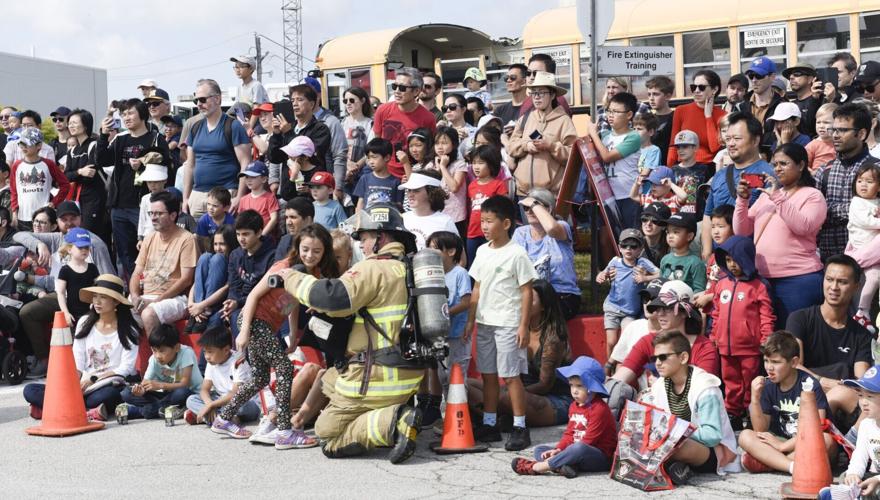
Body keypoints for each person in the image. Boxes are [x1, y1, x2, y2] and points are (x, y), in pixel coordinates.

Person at [279, 203, 426, 463]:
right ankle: (384, 413)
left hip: (377, 376)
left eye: (366, 238)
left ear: (381, 237)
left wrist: (291, 278)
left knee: (327, 435)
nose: (362, 245)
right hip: (407, 374)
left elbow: (333, 297)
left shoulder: (373, 268)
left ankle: (392, 420)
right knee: (329, 379)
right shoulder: (411, 268)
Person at [467, 195, 537, 451]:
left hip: (508, 323)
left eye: (489, 221)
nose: (484, 226)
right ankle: (489, 423)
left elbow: (527, 291)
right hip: (484, 324)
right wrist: (470, 321)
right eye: (482, 221)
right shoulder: (482, 251)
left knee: (510, 376)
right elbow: (477, 287)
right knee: (488, 376)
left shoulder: (517, 254)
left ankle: (520, 426)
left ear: (506, 223)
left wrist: (523, 325)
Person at [16, 202, 115, 378]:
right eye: (64, 219)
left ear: (81, 219)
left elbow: (108, 277)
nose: (69, 223)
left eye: (73, 218)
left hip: (88, 298)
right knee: (27, 312)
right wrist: (39, 245)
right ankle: (44, 360)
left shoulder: (95, 243)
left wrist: (100, 301)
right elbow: (19, 235)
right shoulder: (56, 239)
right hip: (60, 295)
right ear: (57, 222)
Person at [733, 142, 826, 328]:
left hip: (799, 279)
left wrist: (777, 196)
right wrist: (742, 200)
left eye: (784, 164)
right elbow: (741, 231)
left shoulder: (813, 195)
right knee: (768, 337)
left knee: (795, 336)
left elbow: (804, 227)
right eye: (775, 165)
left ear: (800, 165)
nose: (778, 169)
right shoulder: (766, 195)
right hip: (763, 278)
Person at [22, 274, 139, 420]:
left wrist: (94, 379)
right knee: (30, 390)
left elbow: (125, 368)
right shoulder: (85, 322)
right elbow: (78, 361)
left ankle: (56, 409)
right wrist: (72, 384)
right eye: (95, 296)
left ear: (116, 301)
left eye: (103, 297)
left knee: (106, 396)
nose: (97, 301)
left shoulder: (129, 330)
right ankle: (86, 411)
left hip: (108, 384)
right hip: (82, 384)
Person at [787, 255, 873, 424]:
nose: (834, 287)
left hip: (841, 405)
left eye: (842, 282)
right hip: (802, 397)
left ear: (856, 287)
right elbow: (793, 365)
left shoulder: (862, 335)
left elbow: (861, 382)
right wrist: (823, 382)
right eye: (829, 279)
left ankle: (852, 442)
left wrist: (837, 388)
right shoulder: (800, 319)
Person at [645, 331, 739, 484]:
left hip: (712, 451)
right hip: (674, 444)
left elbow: (712, 436)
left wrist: (675, 432)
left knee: (675, 446)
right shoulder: (659, 386)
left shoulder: (705, 387)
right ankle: (677, 468)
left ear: (683, 358)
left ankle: (670, 466)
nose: (657, 363)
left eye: (663, 357)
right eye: (654, 358)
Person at [738, 330, 835, 474]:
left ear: (794, 362)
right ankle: (792, 466)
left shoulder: (809, 385)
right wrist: (755, 400)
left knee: (827, 441)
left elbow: (816, 428)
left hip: (806, 442)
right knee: (745, 435)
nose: (769, 367)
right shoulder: (767, 385)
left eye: (776, 362)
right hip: (780, 441)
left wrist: (782, 447)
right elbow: (760, 430)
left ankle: (771, 462)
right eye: (766, 360)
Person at [98, 98, 170, 277]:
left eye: (130, 113)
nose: (126, 117)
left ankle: (150, 286)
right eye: (123, 114)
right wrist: (103, 135)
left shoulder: (156, 138)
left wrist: (144, 166)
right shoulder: (121, 138)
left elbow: (167, 167)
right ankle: (132, 289)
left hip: (144, 204)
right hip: (119, 205)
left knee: (149, 249)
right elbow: (102, 160)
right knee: (124, 254)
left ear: (142, 114)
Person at [511, 356, 616, 477]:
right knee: (540, 450)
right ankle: (564, 466)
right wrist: (559, 450)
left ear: (592, 388)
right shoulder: (573, 406)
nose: (574, 391)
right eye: (572, 385)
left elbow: (589, 441)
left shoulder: (599, 409)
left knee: (579, 448)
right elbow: (569, 434)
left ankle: (539, 467)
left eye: (579, 386)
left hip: (598, 457)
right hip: (574, 453)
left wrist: (563, 453)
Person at [710, 235, 774, 427]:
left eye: (736, 259)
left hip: (750, 347)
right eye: (728, 260)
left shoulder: (759, 286)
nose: (731, 264)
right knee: (730, 381)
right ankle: (733, 412)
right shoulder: (721, 284)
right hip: (725, 347)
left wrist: (766, 338)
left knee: (750, 381)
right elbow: (716, 312)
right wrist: (714, 335)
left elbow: (767, 315)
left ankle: (750, 411)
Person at [613, 280, 720, 385]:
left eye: (667, 308)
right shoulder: (647, 341)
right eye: (658, 308)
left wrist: (661, 387)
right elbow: (621, 376)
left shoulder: (704, 348)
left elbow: (704, 389)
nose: (660, 314)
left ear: (684, 313)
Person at [701, 113, 775, 260]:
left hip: (752, 257)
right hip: (721, 257)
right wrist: (707, 252)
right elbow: (708, 215)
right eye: (728, 139)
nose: (731, 144)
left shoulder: (769, 174)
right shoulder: (720, 175)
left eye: (737, 139)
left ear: (755, 140)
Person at [129, 191, 198, 336]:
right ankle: (130, 359)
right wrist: (135, 296)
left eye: (159, 213)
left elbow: (186, 280)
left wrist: (156, 301)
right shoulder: (149, 238)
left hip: (175, 298)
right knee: (117, 310)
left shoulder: (187, 239)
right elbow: (137, 273)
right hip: (146, 295)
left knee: (148, 314)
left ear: (173, 215)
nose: (153, 218)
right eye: (151, 213)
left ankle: (157, 358)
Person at [182, 79, 251, 218]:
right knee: (198, 239)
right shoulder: (195, 128)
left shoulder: (233, 126)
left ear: (217, 99)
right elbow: (190, 165)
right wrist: (185, 198)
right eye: (196, 101)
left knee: (223, 239)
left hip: (224, 196)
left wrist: (239, 197)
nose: (199, 104)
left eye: (202, 99)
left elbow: (246, 163)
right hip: (197, 196)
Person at [816, 102, 876, 260]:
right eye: (834, 129)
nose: (835, 135)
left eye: (842, 130)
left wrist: (830, 211)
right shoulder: (824, 170)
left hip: (867, 259)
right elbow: (814, 213)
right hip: (828, 259)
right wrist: (857, 210)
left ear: (861, 134)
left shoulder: (876, 169)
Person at [513, 188, 581, 320]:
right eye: (526, 208)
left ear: (548, 210)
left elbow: (551, 228)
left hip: (562, 294)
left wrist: (533, 204)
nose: (529, 211)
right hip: (531, 295)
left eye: (534, 207)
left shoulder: (561, 226)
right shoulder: (520, 233)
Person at [508, 71, 577, 200]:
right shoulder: (525, 118)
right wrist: (526, 145)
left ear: (552, 95)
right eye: (534, 93)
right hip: (523, 192)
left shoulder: (564, 120)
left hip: (551, 194)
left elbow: (573, 156)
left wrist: (551, 146)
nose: (536, 97)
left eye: (541, 92)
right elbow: (511, 146)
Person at [596, 228, 658, 357]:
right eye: (625, 245)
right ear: (619, 247)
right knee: (611, 341)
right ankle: (609, 368)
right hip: (612, 307)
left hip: (630, 311)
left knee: (625, 340)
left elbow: (660, 273)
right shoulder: (615, 261)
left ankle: (623, 366)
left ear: (640, 249)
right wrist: (601, 276)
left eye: (633, 246)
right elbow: (603, 273)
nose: (628, 249)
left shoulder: (642, 263)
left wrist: (645, 278)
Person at [120, 323, 202, 420]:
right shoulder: (153, 359)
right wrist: (141, 390)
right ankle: (167, 408)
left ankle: (140, 411)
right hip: (166, 395)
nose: (158, 355)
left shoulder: (186, 353)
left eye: (162, 351)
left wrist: (160, 385)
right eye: (154, 350)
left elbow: (185, 384)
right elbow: (145, 383)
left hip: (189, 392)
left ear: (176, 348)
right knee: (126, 393)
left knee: (181, 394)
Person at [820, 368, 880, 499]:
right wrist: (854, 474)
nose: (863, 402)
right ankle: (850, 494)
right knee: (846, 477)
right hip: (873, 476)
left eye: (870, 396)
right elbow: (860, 455)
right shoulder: (866, 425)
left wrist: (878, 480)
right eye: (860, 395)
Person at [584, 91, 641, 228]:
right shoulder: (604, 135)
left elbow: (607, 157)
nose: (611, 115)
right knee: (607, 236)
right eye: (609, 111)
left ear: (629, 115)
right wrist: (592, 133)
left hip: (628, 195)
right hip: (608, 195)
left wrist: (594, 134)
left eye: (616, 112)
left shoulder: (633, 137)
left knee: (629, 234)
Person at [185, 325, 260, 425]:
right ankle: (224, 419)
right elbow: (204, 389)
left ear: (225, 350)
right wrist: (209, 404)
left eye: (210, 352)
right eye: (204, 352)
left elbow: (235, 394)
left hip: (244, 402)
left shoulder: (238, 362)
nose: (206, 356)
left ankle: (208, 417)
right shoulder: (212, 362)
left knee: (240, 406)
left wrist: (212, 405)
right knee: (191, 400)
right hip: (220, 401)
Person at [373, 67, 438, 180]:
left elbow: (429, 151)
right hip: (385, 174)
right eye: (395, 86)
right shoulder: (382, 110)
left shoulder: (428, 118)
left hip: (413, 175)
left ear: (416, 91)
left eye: (402, 88)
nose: (397, 91)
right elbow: (377, 144)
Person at [222, 210, 276, 335]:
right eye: (238, 234)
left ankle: (241, 354)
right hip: (239, 302)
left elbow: (266, 293)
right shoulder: (235, 254)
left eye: (246, 234)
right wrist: (230, 302)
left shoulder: (272, 257)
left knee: (237, 317)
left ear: (259, 232)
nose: (241, 239)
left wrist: (238, 303)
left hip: (261, 305)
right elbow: (234, 285)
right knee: (215, 320)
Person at [9, 128, 70, 230]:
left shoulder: (48, 164)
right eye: (21, 144)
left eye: (27, 144)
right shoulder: (16, 165)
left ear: (39, 146)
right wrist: (14, 213)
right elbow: (14, 191)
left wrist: (54, 203)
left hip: (43, 219)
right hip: (23, 218)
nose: (23, 147)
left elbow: (65, 185)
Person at [64, 109, 108, 242]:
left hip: (94, 198)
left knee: (92, 236)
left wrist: (77, 174)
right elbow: (66, 176)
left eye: (75, 123)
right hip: (77, 199)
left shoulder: (93, 145)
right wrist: (79, 172)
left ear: (86, 125)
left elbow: (90, 173)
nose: (71, 126)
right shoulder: (72, 150)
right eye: (70, 123)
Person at [667, 70, 726, 166]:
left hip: (708, 167)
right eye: (694, 87)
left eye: (701, 87)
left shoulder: (722, 115)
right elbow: (673, 145)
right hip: (683, 166)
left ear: (714, 89)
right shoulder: (681, 110)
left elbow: (714, 148)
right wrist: (669, 169)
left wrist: (708, 117)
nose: (696, 91)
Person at [187, 224, 236, 333]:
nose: (218, 248)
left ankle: (205, 313)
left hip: (219, 303)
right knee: (205, 257)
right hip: (201, 304)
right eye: (215, 244)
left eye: (222, 244)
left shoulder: (233, 259)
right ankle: (201, 315)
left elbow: (226, 288)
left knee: (217, 258)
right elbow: (196, 283)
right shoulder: (210, 257)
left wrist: (202, 306)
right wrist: (192, 306)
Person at [849, 162, 880, 330]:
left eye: (869, 181)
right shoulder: (857, 202)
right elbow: (865, 221)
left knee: (875, 278)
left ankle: (863, 311)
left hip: (874, 252)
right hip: (862, 249)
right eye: (860, 181)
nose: (863, 185)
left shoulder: (877, 202)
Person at [466, 145, 508, 265]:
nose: (476, 167)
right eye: (474, 163)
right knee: (473, 266)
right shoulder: (472, 185)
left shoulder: (498, 185)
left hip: (491, 233)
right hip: (472, 232)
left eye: (481, 163)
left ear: (491, 164)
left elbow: (503, 208)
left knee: (491, 264)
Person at [398, 170, 457, 250]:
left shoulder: (445, 221)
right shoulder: (401, 218)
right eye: (409, 190)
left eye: (416, 190)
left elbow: (460, 259)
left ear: (431, 192)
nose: (410, 194)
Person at [735, 56, 784, 149]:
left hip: (772, 157)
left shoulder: (782, 106)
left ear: (772, 77)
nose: (754, 80)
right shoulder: (740, 106)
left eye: (759, 76)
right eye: (751, 76)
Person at [55, 227, 99, 329]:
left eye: (87, 247)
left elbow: (98, 288)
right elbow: (60, 293)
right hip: (73, 315)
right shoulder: (65, 270)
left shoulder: (92, 268)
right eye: (80, 247)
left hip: (91, 313)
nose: (84, 250)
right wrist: (65, 313)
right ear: (69, 249)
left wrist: (95, 302)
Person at [427, 126, 468, 234]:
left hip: (456, 217)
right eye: (437, 143)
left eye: (444, 143)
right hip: (436, 214)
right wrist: (437, 169)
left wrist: (443, 167)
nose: (440, 147)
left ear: (454, 144)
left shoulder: (459, 164)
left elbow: (454, 187)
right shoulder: (430, 165)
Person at [660, 213, 706, 293]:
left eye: (675, 232)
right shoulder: (665, 259)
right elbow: (660, 284)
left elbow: (699, 290)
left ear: (689, 236)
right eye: (668, 232)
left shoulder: (696, 263)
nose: (670, 236)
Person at [669, 130, 712, 215]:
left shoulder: (704, 169)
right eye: (678, 147)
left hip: (698, 218)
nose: (680, 150)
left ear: (695, 148)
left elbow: (708, 194)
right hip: (678, 216)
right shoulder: (673, 170)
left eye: (684, 146)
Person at [341, 86, 374, 195]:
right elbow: (337, 148)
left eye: (352, 100)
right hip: (342, 171)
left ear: (363, 101)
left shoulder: (370, 124)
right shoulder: (341, 123)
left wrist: (356, 166)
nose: (348, 104)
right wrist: (347, 165)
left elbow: (371, 150)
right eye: (345, 101)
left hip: (363, 172)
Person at [354, 138, 402, 212]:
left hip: (389, 222)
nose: (371, 161)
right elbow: (361, 203)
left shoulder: (396, 182)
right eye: (369, 158)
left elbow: (399, 206)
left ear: (387, 157)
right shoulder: (365, 179)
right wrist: (359, 221)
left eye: (374, 157)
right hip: (368, 222)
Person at [238, 160, 279, 237]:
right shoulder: (243, 200)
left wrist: (261, 235)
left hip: (265, 240)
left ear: (264, 179)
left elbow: (274, 219)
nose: (248, 180)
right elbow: (240, 221)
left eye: (253, 177)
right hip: (247, 239)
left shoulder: (270, 197)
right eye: (246, 177)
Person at [135, 153, 170, 243]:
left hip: (165, 236)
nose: (152, 185)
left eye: (156, 182)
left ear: (164, 180)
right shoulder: (145, 199)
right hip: (148, 236)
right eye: (149, 182)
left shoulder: (170, 197)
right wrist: (140, 238)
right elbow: (142, 219)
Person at [783, 62, 822, 138]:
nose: (791, 77)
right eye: (789, 76)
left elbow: (811, 127)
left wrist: (814, 99)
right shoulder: (791, 105)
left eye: (797, 74)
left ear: (810, 79)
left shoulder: (820, 100)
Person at [645, 76, 675, 163]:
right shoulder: (647, 119)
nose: (651, 98)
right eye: (649, 94)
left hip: (670, 164)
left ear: (668, 96)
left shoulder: (675, 117)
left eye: (655, 94)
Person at [195, 186, 235, 252]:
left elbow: (232, 244)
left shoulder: (231, 221)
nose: (210, 208)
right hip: (208, 251)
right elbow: (202, 242)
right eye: (208, 204)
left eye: (215, 206)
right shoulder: (203, 221)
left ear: (226, 207)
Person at [495, 64, 529, 130]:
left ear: (524, 81)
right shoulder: (500, 110)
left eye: (513, 77)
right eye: (506, 78)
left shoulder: (534, 107)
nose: (508, 80)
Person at [806, 103, 838, 174]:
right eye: (818, 122)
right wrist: (813, 173)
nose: (821, 126)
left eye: (826, 122)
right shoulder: (812, 145)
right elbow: (803, 165)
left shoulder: (839, 143)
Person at [640, 202, 670, 266]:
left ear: (664, 226)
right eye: (644, 219)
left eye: (654, 220)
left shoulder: (671, 247)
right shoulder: (635, 243)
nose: (648, 224)